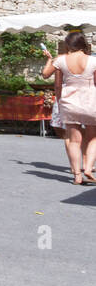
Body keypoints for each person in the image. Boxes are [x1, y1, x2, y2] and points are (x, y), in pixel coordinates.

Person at [42, 30, 96, 185]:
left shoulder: (61, 60)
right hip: (90, 100)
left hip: (69, 101)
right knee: (93, 137)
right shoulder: (92, 61)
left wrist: (60, 101)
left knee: (74, 140)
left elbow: (57, 85)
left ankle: (77, 174)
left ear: (68, 44)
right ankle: (88, 167)